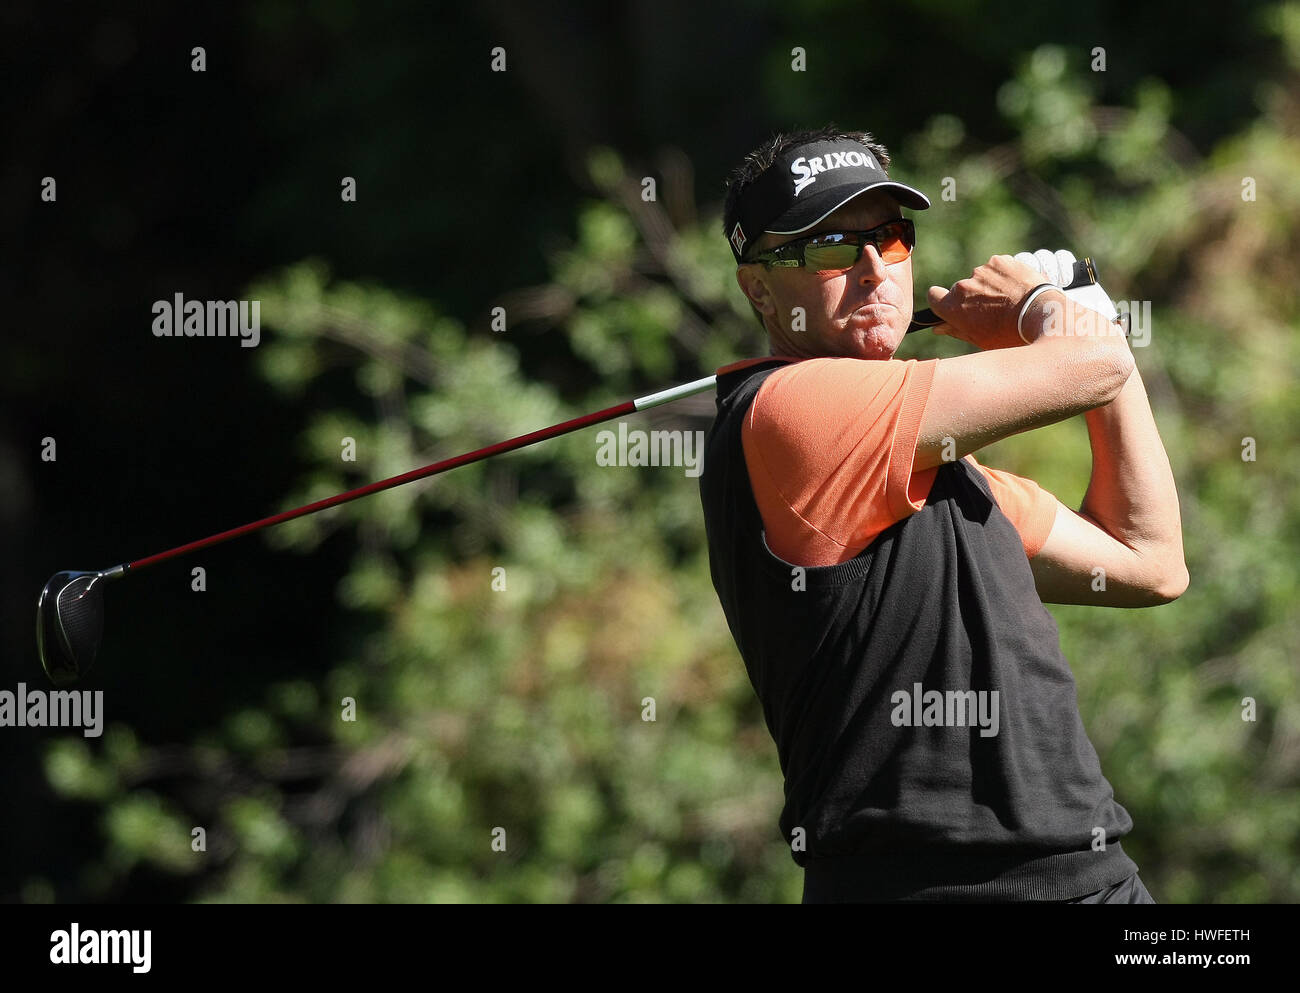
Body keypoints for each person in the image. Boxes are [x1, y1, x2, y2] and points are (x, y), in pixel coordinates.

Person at [698, 125, 1187, 903]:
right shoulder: (788, 413)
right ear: (759, 287)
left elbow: (1149, 559)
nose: (871, 269)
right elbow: (1087, 365)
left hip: (1093, 879)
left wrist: (1093, 327)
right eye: (829, 247)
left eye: (889, 239)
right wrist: (1040, 310)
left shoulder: (959, 481)